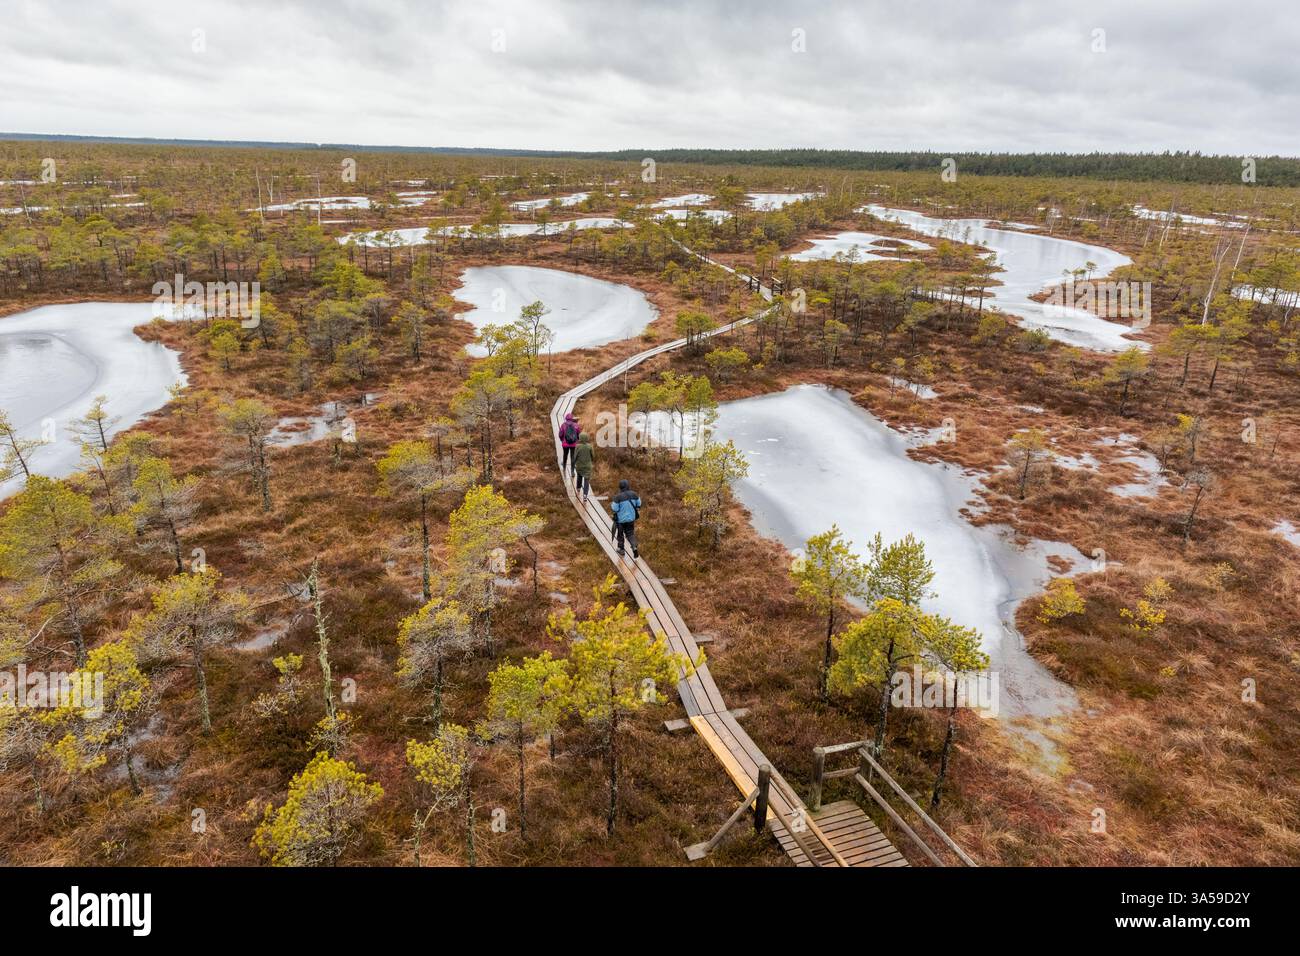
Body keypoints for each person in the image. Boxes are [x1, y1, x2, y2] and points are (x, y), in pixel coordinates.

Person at [609, 479, 641, 558]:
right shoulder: (634, 494)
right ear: (628, 485)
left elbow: (615, 508)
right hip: (631, 519)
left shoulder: (618, 497)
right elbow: (639, 503)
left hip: (621, 520)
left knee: (620, 534)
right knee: (630, 533)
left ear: (620, 487)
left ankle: (621, 549)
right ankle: (634, 546)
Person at [572, 431, 595, 501]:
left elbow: (575, 456)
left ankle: (578, 489)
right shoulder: (590, 446)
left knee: (579, 477)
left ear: (580, 438)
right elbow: (593, 456)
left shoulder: (577, 446)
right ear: (587, 438)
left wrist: (574, 464)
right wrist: (591, 461)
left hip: (579, 466)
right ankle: (585, 495)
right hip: (588, 466)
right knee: (586, 481)